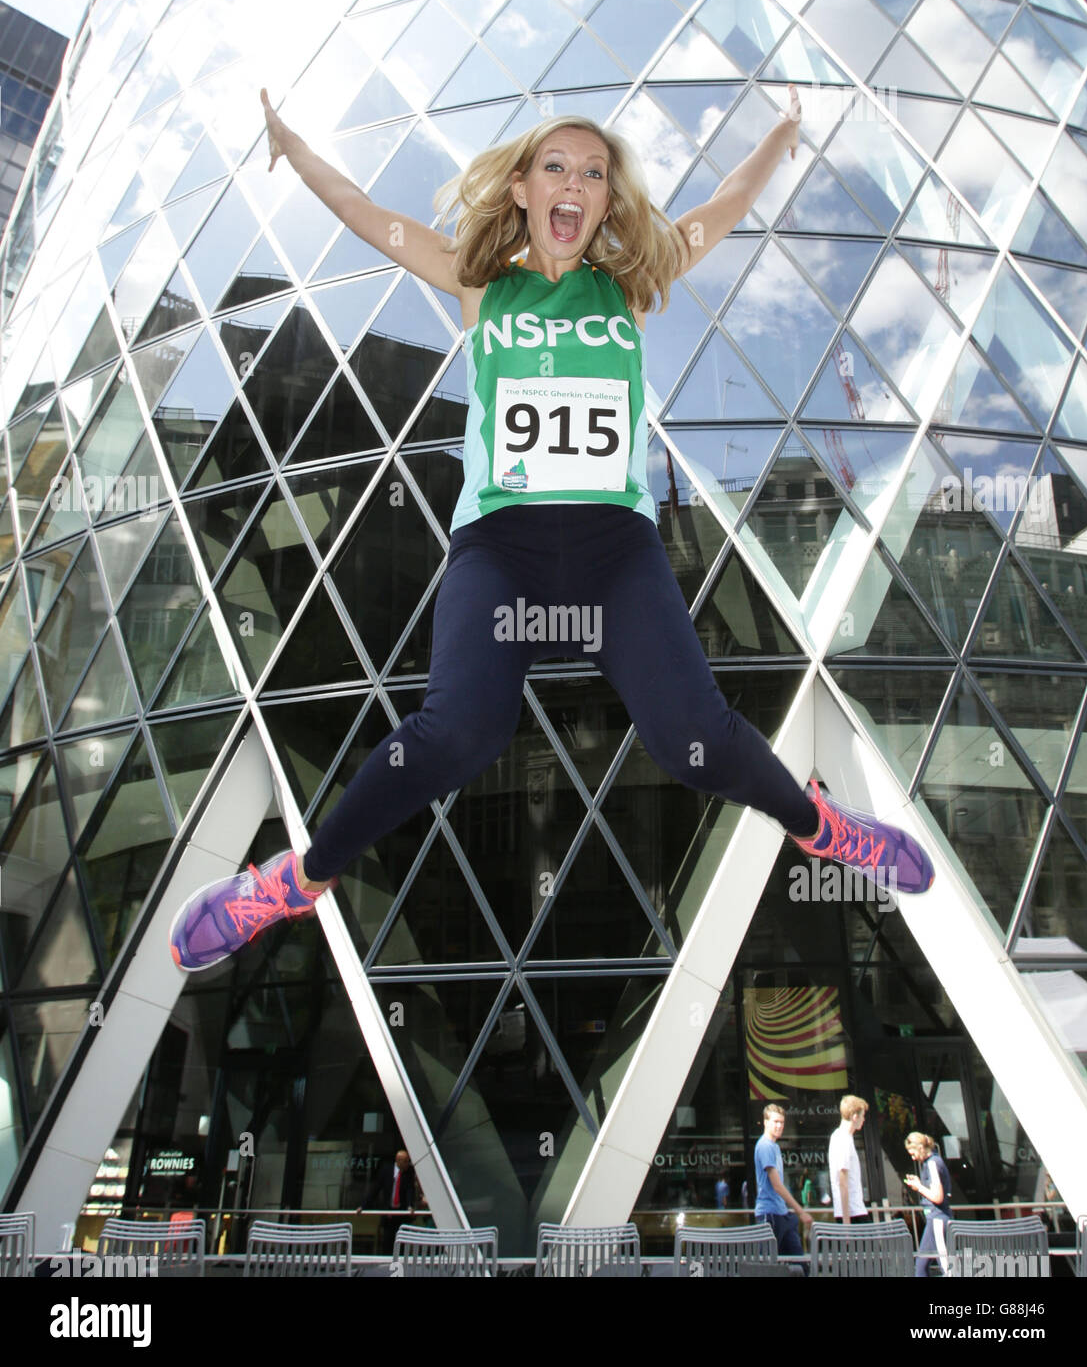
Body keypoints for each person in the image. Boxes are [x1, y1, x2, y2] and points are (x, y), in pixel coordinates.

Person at [169, 81, 935, 973]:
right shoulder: (476, 281)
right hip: (503, 545)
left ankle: (823, 829)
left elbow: (724, 206)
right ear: (525, 189)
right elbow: (363, 213)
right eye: (555, 166)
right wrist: (292, 146)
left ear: (606, 200)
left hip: (615, 551)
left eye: (595, 172)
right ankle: (290, 884)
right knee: (456, 733)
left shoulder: (631, 286)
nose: (575, 182)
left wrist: (781, 135)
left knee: (696, 738)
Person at [754, 1103, 811, 1267]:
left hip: (782, 1213)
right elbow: (777, 1185)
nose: (779, 1126)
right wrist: (800, 1211)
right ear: (765, 1122)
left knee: (799, 1264)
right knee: (768, 1267)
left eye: (781, 1122)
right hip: (769, 1214)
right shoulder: (765, 1146)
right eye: (775, 1121)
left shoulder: (775, 1147)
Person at [905, 1131, 952, 1277]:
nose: (913, 1158)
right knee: (921, 1265)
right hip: (934, 1219)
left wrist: (918, 1187)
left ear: (920, 1148)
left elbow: (937, 1197)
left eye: (912, 1153)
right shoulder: (932, 1163)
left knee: (946, 1267)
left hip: (937, 1219)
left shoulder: (932, 1163)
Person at [828, 1093, 869, 1225]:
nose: (864, 1119)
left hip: (852, 1211)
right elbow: (842, 1180)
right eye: (862, 1116)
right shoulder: (843, 1139)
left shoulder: (841, 1137)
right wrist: (847, 1223)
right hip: (852, 1212)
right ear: (854, 1116)